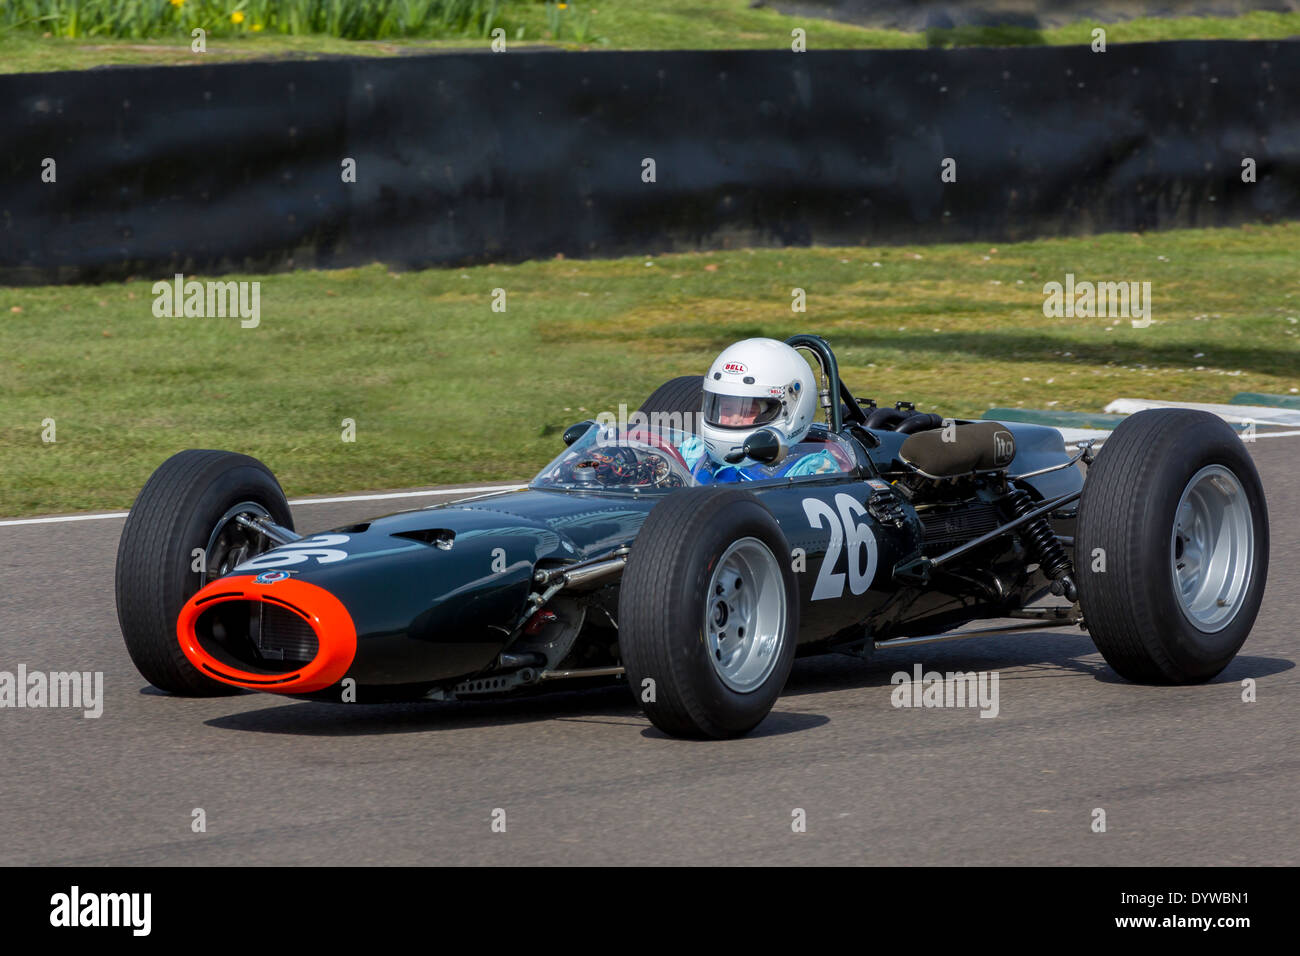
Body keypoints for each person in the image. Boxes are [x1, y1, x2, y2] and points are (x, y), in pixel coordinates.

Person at [677, 338, 842, 483]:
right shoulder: (694, 451)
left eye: (747, 411)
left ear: (791, 411)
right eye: (726, 408)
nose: (734, 419)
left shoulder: (808, 469)